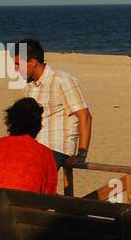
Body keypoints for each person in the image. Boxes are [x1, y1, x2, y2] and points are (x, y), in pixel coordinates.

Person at [13, 38, 92, 169]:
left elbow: (85, 116)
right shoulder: (29, 86)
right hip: (35, 147)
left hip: (57, 147)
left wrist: (82, 153)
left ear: (32, 62)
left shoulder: (62, 80)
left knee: (32, 181)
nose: (16, 69)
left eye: (18, 64)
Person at [0, 98, 59, 194]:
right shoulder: (44, 153)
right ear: (38, 125)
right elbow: (49, 193)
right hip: (29, 208)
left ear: (10, 122)